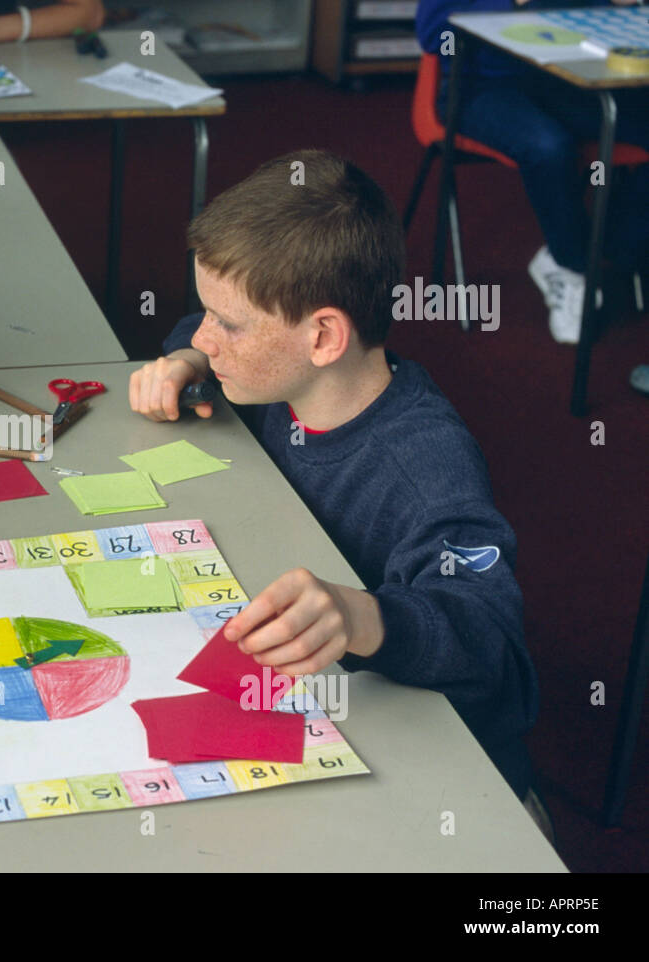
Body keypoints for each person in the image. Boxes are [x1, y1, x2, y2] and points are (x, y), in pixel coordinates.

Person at [130, 151, 543, 811]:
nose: (207, 334)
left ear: (324, 335)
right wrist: (186, 359)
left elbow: (496, 652)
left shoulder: (427, 467)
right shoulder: (278, 370)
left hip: (455, 789)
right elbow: (202, 331)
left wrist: (362, 615)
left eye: (228, 324)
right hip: (327, 716)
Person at [416, 0, 649, 343]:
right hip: (480, 88)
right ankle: (572, 264)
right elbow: (432, 32)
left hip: (568, 78)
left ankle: (598, 246)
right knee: (548, 147)